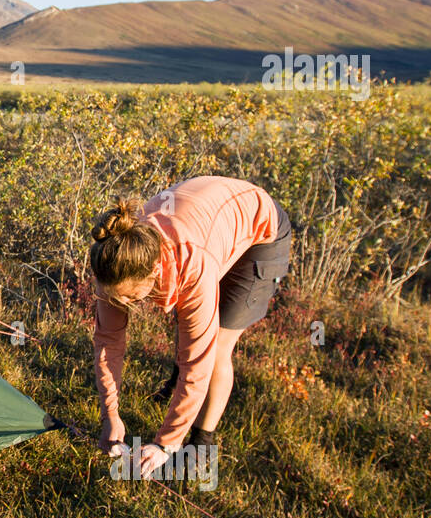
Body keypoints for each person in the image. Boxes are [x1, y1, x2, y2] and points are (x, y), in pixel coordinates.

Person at [88, 176, 292, 477]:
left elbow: (199, 363)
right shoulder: (117, 259)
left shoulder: (193, 264)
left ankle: (200, 444)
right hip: (207, 223)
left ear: (155, 272)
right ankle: (176, 387)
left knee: (216, 346)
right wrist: (110, 415)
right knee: (191, 330)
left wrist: (165, 444)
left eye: (131, 297)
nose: (124, 304)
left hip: (260, 228)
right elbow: (108, 343)